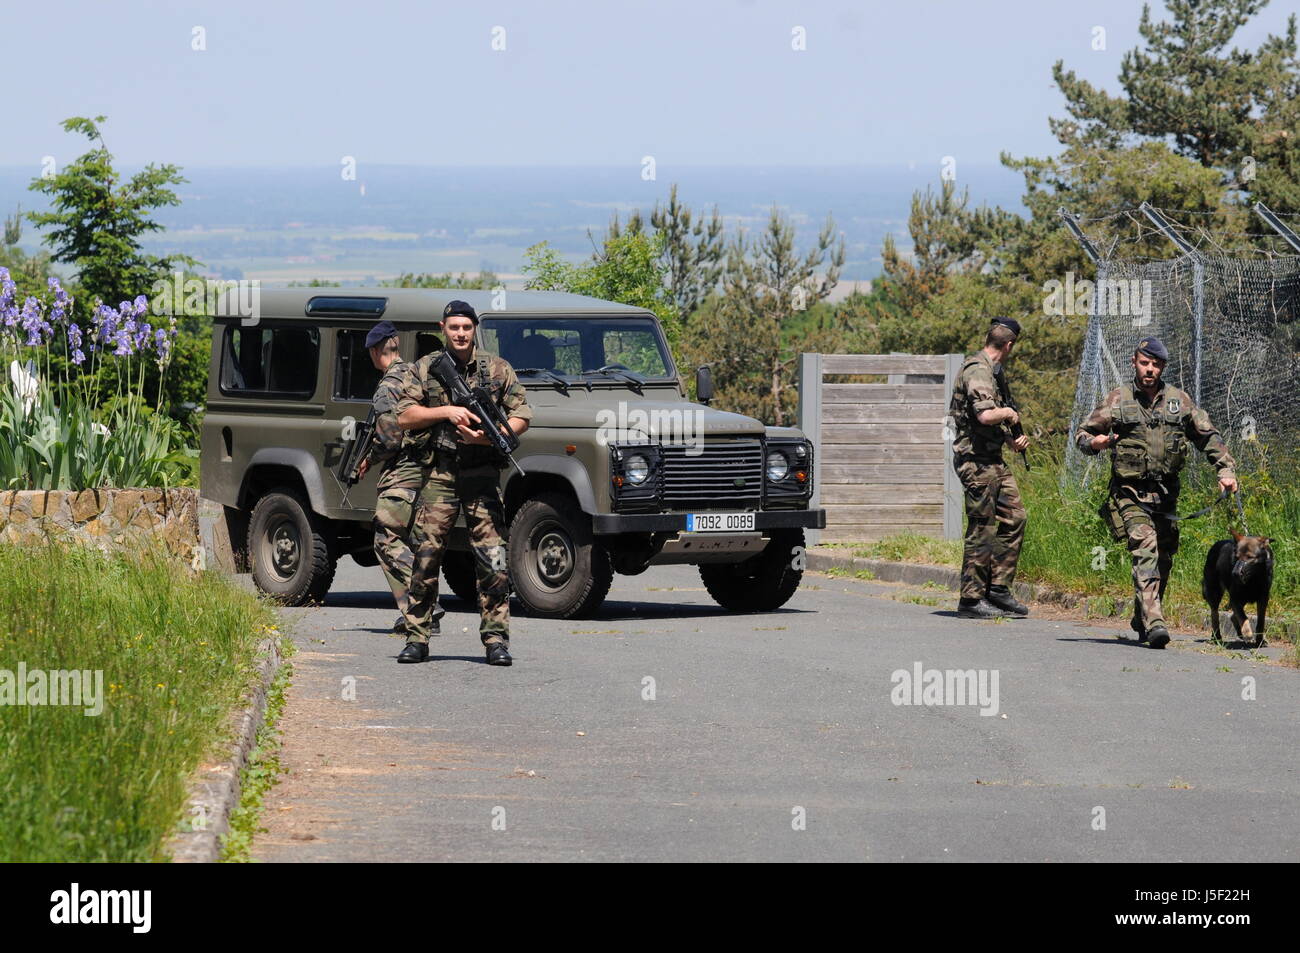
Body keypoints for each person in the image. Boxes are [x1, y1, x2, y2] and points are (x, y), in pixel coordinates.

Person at [393, 300, 532, 665]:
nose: (460, 334)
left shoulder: (497, 369)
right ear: (443, 328)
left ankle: (496, 640)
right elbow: (404, 416)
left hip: (482, 475)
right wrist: (447, 411)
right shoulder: (425, 368)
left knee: (493, 559)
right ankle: (417, 637)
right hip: (440, 474)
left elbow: (522, 415)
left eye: (466, 328)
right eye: (454, 327)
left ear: (474, 330)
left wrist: (485, 438)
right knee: (426, 556)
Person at [1075, 336, 1237, 649]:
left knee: (1164, 558)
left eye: (1156, 364)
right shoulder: (1118, 399)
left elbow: (1207, 436)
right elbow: (1083, 433)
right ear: (1134, 363)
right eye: (1144, 363)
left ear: (1162, 367)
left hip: (1165, 497)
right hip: (1129, 494)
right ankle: (1155, 622)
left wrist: (1225, 469)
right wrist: (1093, 443)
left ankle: (1143, 615)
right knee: (1144, 547)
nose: (1150, 369)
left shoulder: (1179, 400)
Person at [355, 320, 446, 641]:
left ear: (375, 351)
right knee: (419, 541)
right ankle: (424, 614)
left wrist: (368, 459)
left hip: (404, 471)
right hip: (433, 470)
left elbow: (390, 439)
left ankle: (423, 605)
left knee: (386, 538)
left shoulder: (387, 387)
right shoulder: (417, 374)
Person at [948, 317, 1030, 619]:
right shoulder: (978, 370)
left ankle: (997, 589)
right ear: (1008, 345)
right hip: (976, 462)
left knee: (1015, 517)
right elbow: (984, 415)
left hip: (993, 459)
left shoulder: (991, 371)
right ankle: (971, 599)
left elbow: (981, 422)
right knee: (982, 527)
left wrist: (1008, 439)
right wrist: (1008, 412)